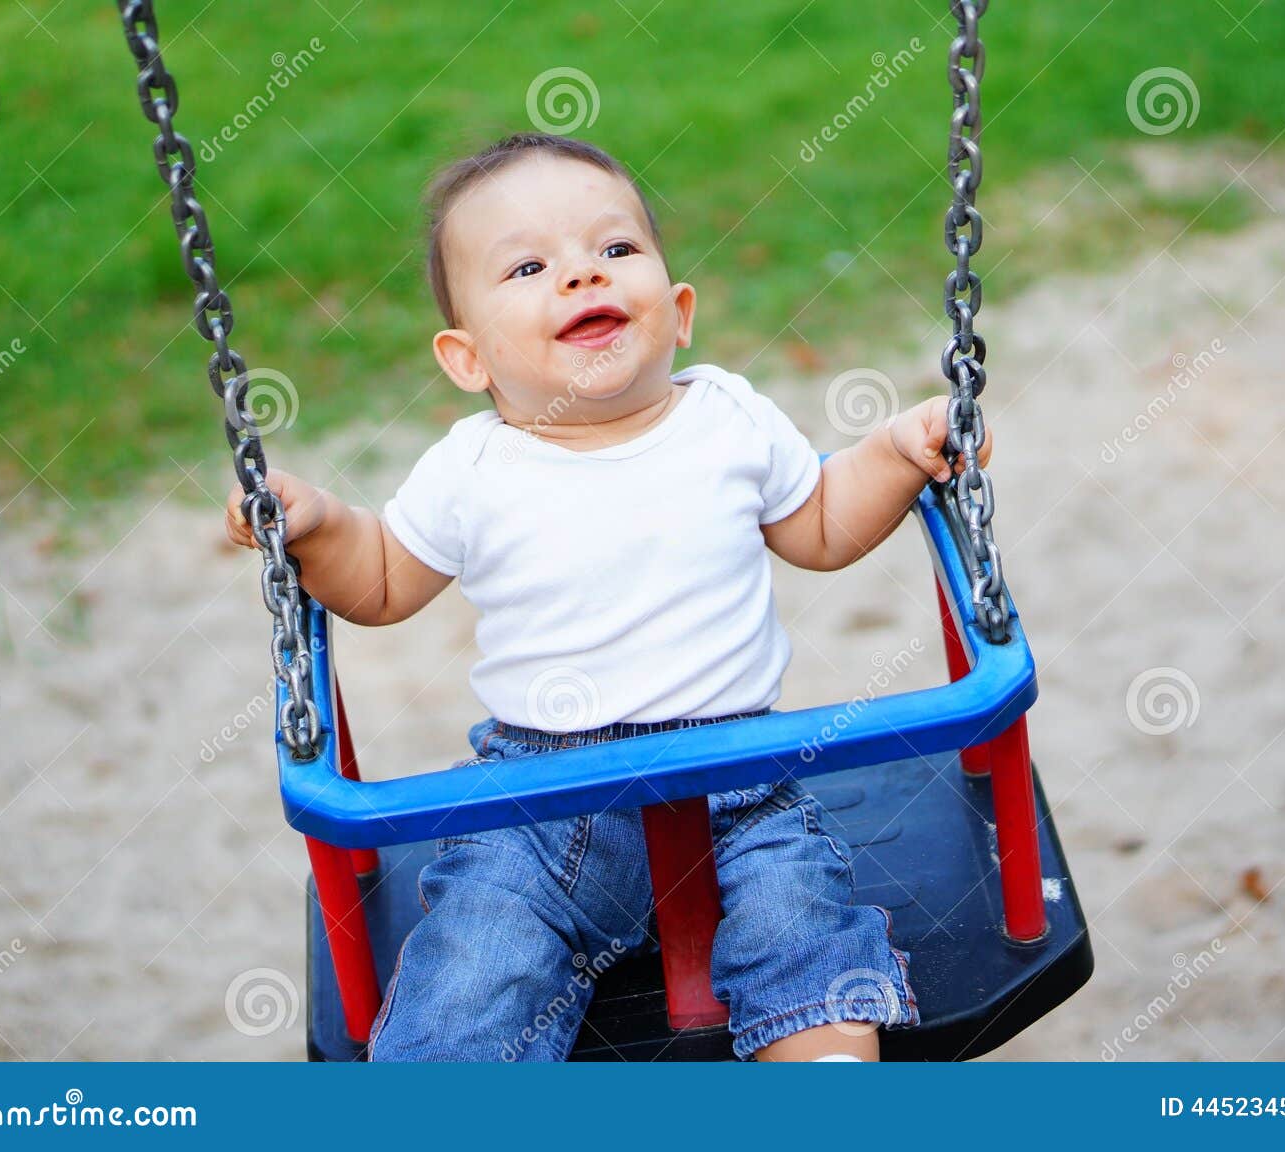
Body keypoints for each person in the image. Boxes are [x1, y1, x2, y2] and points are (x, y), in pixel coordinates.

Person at [224, 132, 991, 1061]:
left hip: (740, 787)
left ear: (679, 311)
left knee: (809, 945)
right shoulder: (471, 467)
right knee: (468, 977)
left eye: (615, 250)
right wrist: (312, 527)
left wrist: (900, 451)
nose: (584, 276)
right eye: (529, 266)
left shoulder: (729, 417)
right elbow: (382, 580)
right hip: (539, 810)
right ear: (467, 359)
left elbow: (822, 523)